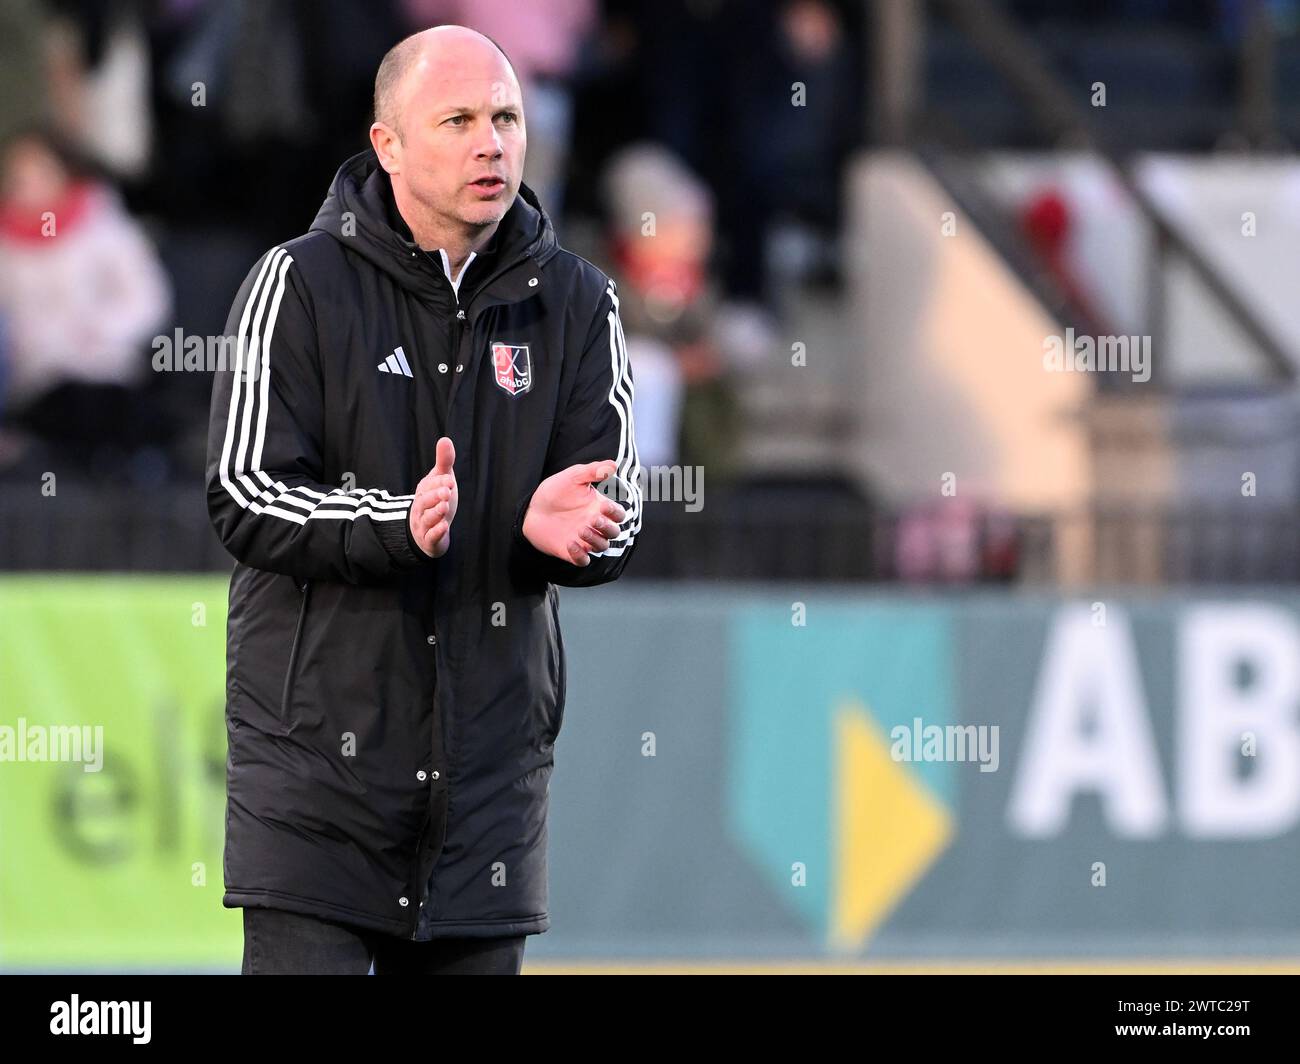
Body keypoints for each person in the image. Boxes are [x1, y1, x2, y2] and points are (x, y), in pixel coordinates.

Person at [204, 24, 642, 975]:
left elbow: (621, 505)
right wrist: (391, 522)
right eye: (458, 120)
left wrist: (578, 537)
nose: (492, 143)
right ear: (388, 145)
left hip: (487, 799)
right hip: (317, 790)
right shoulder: (298, 285)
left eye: (506, 118)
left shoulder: (580, 303)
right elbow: (243, 492)